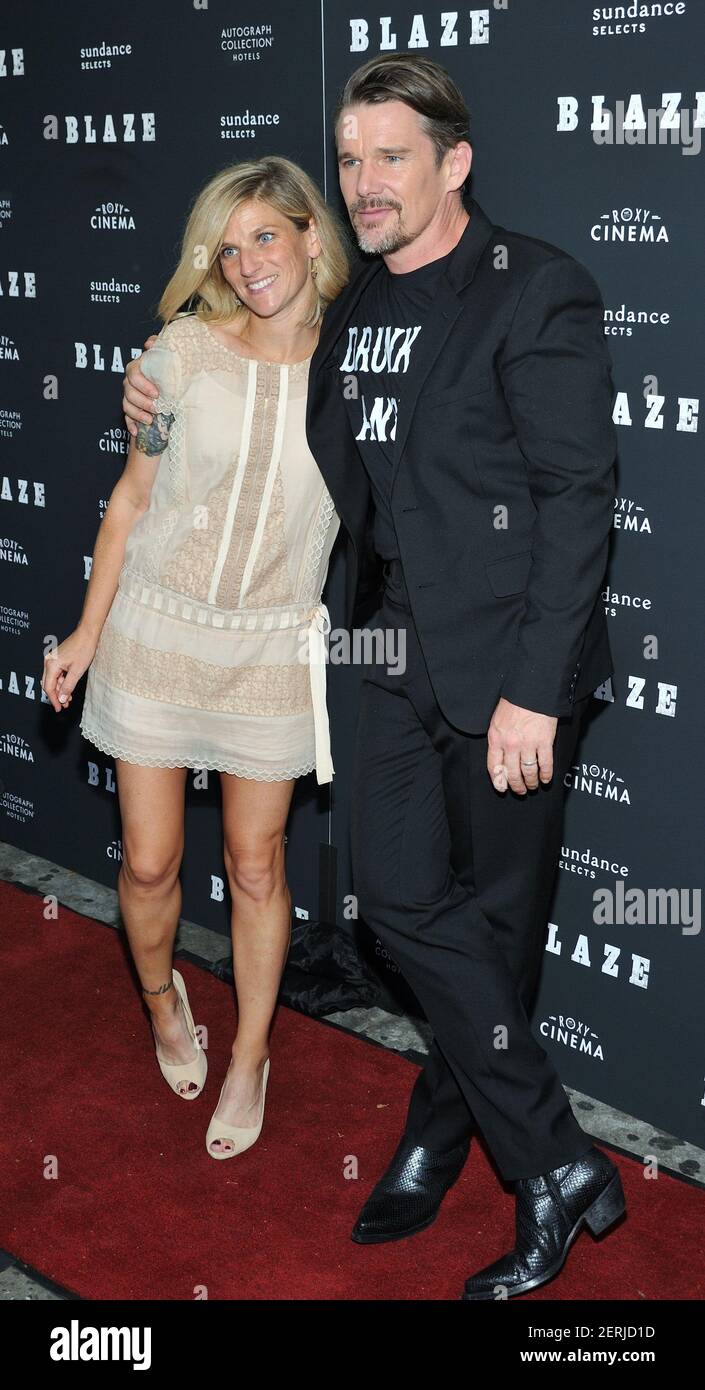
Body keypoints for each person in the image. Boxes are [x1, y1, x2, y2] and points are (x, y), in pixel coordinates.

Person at [123, 56, 627, 1300]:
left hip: (508, 673)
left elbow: (579, 500)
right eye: (349, 161)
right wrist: (152, 400)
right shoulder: (351, 312)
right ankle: (554, 1157)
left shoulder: (537, 290)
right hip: (383, 652)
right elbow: (255, 348)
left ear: (455, 164)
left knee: (497, 937)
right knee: (401, 907)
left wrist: (538, 688)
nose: (364, 183)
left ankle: (455, 1139)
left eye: (390, 156)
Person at [42, 156, 349, 1161]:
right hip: (158, 630)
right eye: (230, 242)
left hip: (270, 643)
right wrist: (86, 633)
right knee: (151, 860)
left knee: (258, 867)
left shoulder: (360, 365)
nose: (248, 259)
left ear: (313, 236)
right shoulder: (177, 353)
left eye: (268, 234)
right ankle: (163, 1003)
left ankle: (251, 1053)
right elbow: (132, 500)